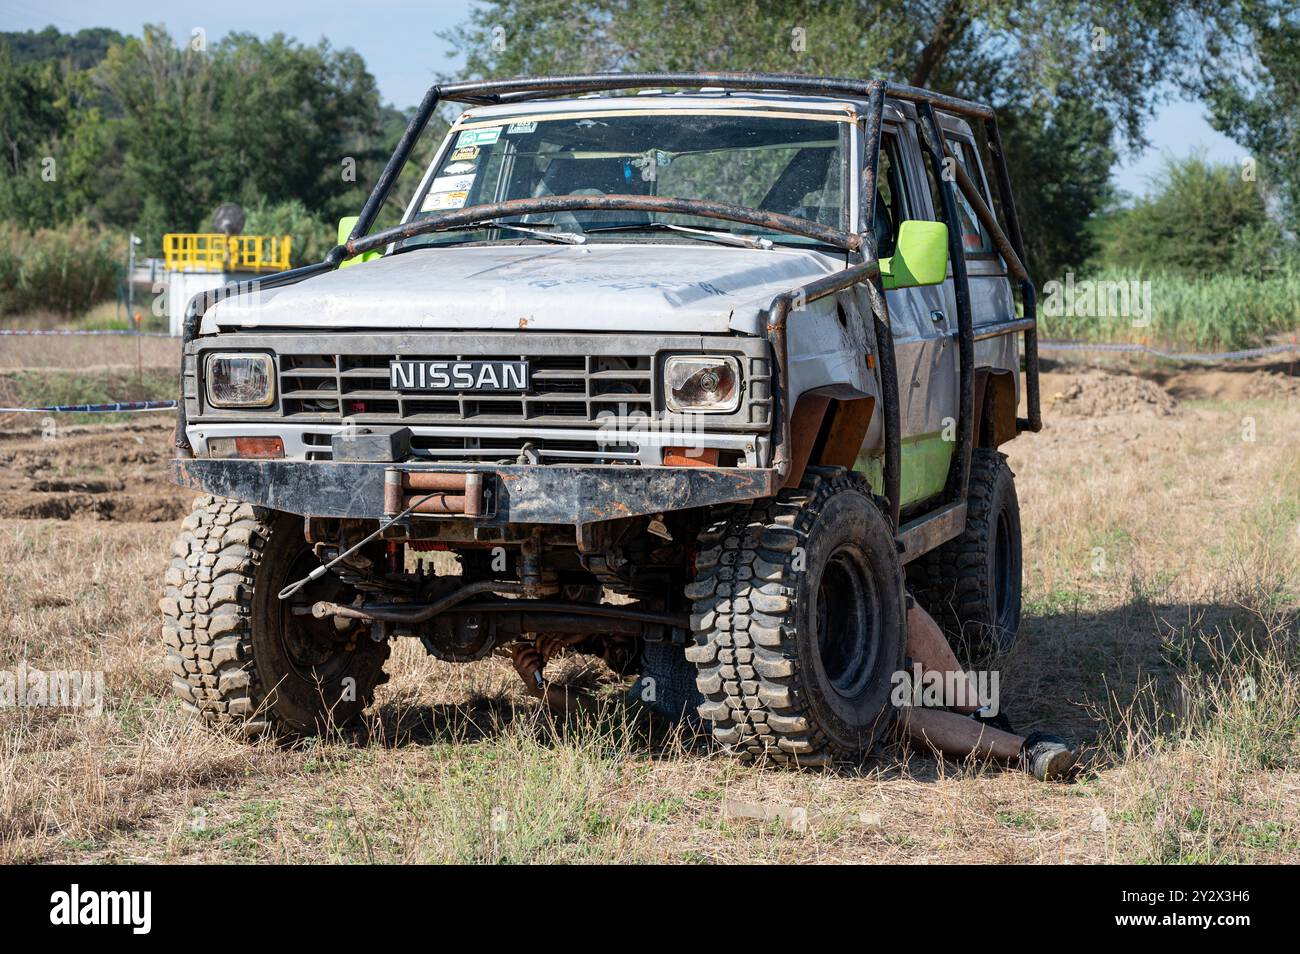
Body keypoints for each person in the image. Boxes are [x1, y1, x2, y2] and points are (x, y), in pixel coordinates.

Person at [510, 595, 1079, 781]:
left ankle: (986, 710)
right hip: (803, 692)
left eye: (610, 642)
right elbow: (591, 712)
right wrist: (539, 688)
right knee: (895, 713)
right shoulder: (651, 696)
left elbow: (612, 617)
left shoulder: (667, 614)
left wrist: (583, 627)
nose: (613, 652)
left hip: (798, 631)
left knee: (896, 605)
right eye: (610, 656)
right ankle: (1024, 748)